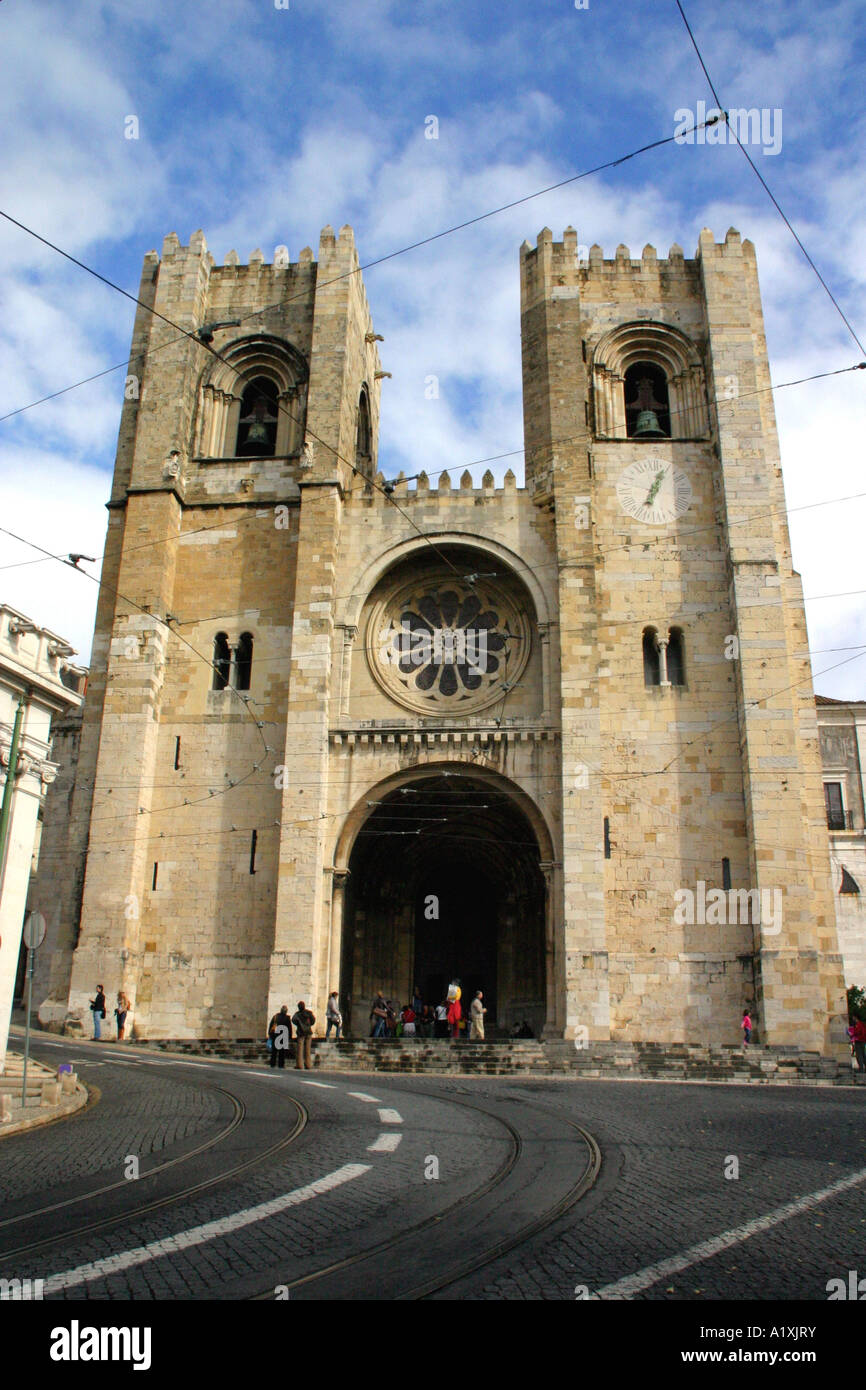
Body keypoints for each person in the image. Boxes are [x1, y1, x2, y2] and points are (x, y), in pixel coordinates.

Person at [292, 1001, 316, 1069]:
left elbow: (293, 1020)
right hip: (308, 1031)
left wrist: (299, 1024)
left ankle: (300, 1064)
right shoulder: (309, 1013)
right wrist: (308, 1025)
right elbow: (313, 1020)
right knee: (308, 1049)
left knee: (300, 1049)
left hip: (301, 1032)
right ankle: (308, 1064)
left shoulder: (297, 1014)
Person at [268, 1004, 293, 1068]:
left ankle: (272, 1064)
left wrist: (270, 1034)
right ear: (286, 1011)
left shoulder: (275, 1016)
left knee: (274, 1051)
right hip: (283, 1036)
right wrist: (289, 1037)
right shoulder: (287, 1018)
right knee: (282, 1052)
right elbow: (289, 1028)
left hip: (275, 1035)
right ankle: (281, 1065)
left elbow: (271, 1026)